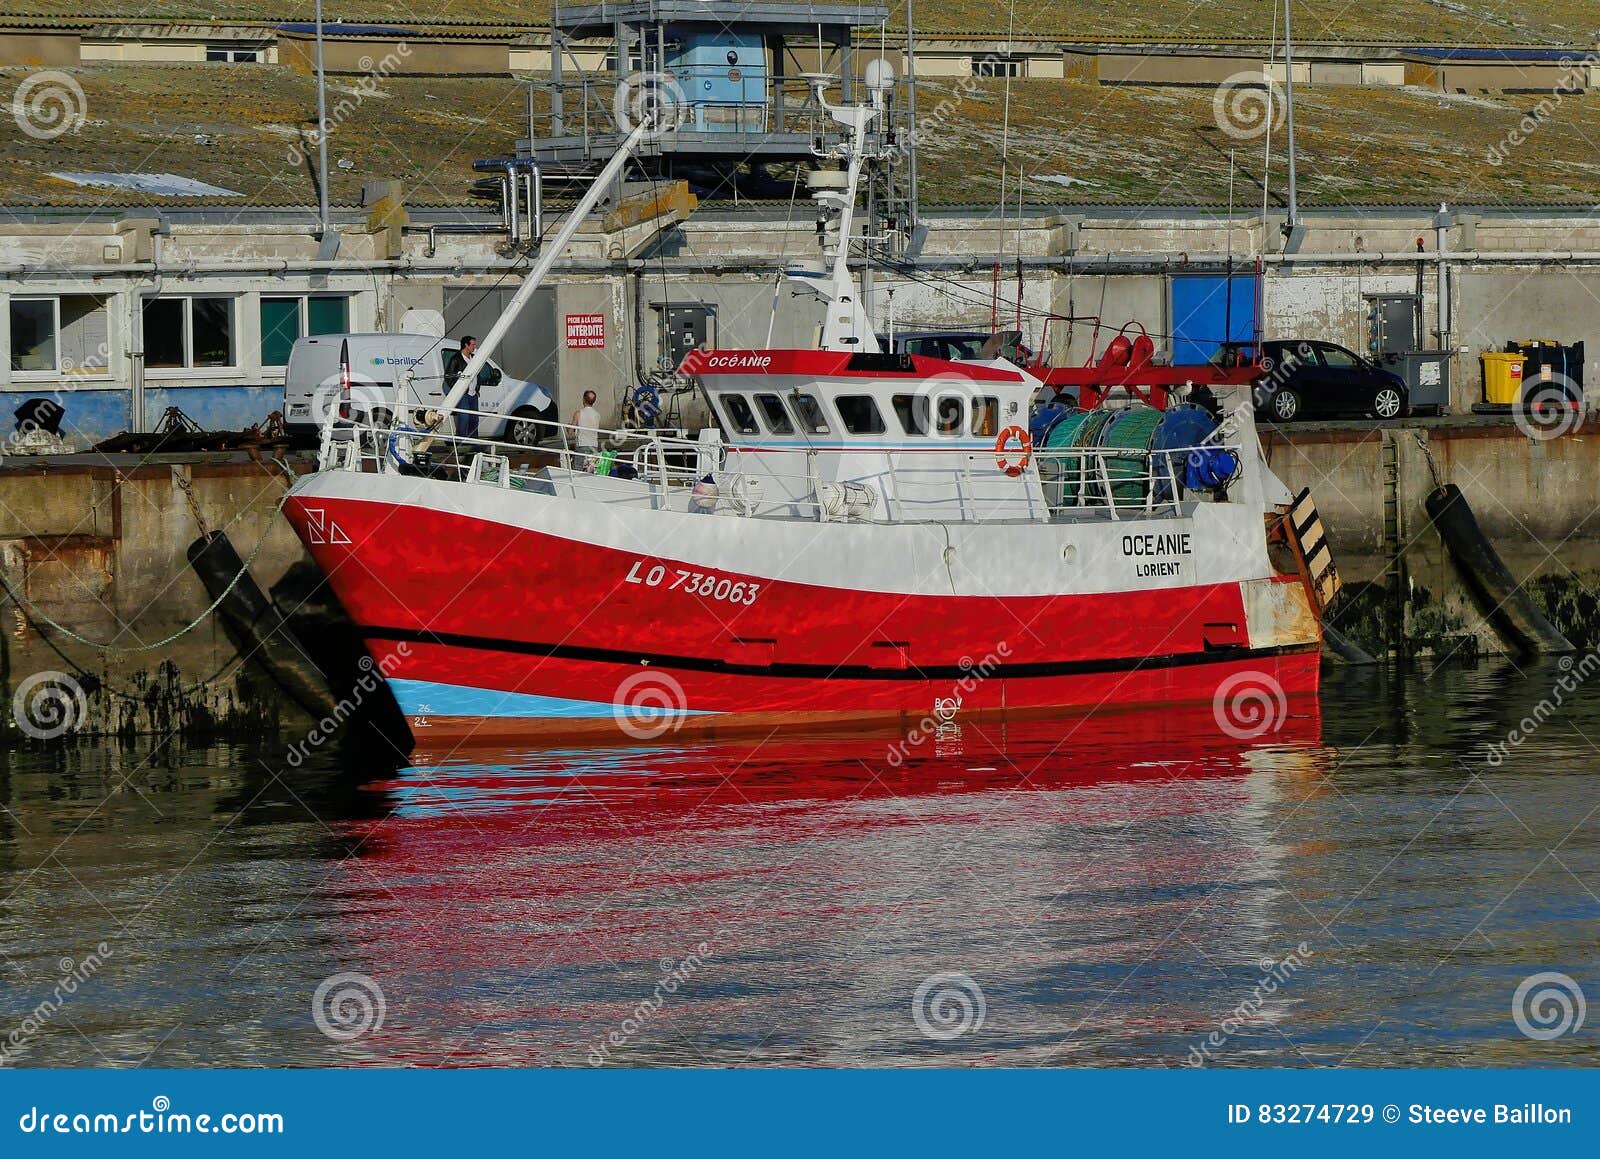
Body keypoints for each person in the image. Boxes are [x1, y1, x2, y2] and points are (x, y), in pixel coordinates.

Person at [442, 336, 500, 441]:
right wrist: (458, 389)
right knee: (464, 417)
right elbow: (448, 376)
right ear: (466, 345)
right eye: (472, 344)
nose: (474, 347)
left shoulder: (474, 359)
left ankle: (473, 441)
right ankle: (461, 441)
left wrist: (477, 388)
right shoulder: (456, 359)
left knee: (474, 419)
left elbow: (478, 375)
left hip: (473, 394)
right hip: (464, 394)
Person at [572, 390, 601, 467]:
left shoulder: (578, 413)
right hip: (594, 445)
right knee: (590, 471)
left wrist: (567, 427)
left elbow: (570, 432)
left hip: (582, 444)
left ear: (583, 399)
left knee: (578, 469)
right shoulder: (597, 415)